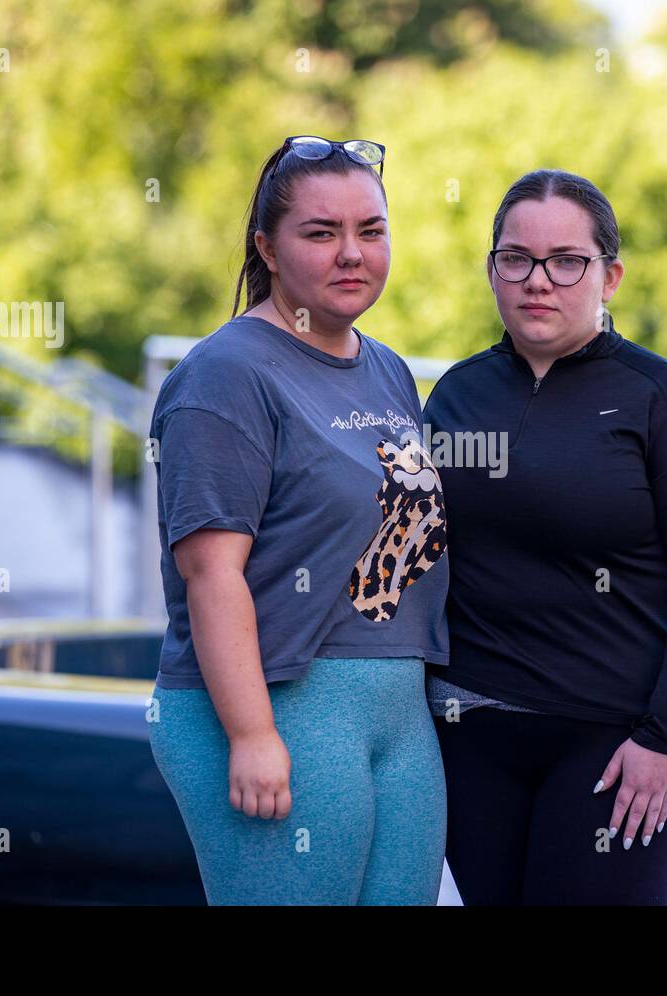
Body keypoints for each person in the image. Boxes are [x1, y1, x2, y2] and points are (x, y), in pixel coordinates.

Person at [423, 168, 667, 905]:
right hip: (472, 735)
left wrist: (666, 737)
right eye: (516, 258)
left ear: (611, 275)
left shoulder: (661, 397)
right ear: (492, 269)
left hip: (617, 741)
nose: (539, 281)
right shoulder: (457, 395)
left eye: (567, 261)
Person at [147, 136, 449, 905]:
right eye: (321, 233)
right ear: (267, 249)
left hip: (397, 715)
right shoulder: (225, 374)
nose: (352, 254)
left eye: (371, 231)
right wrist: (251, 735)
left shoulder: (386, 369)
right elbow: (210, 573)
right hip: (282, 708)